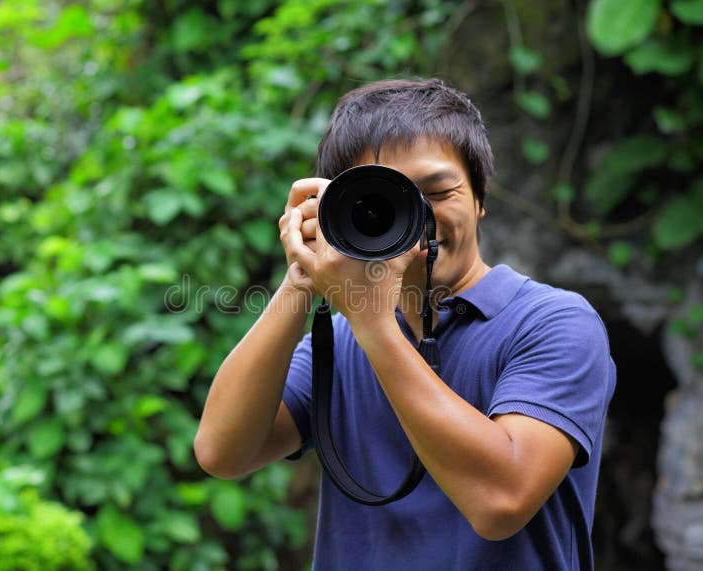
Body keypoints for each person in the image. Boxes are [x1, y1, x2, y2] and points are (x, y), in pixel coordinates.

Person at [194, 78, 616, 570]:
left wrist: (373, 323)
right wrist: (300, 281)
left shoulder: (554, 324)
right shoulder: (345, 340)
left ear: (479, 199)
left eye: (437, 192)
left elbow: (500, 501)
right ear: (337, 216)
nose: (416, 221)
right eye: (382, 205)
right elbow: (223, 452)